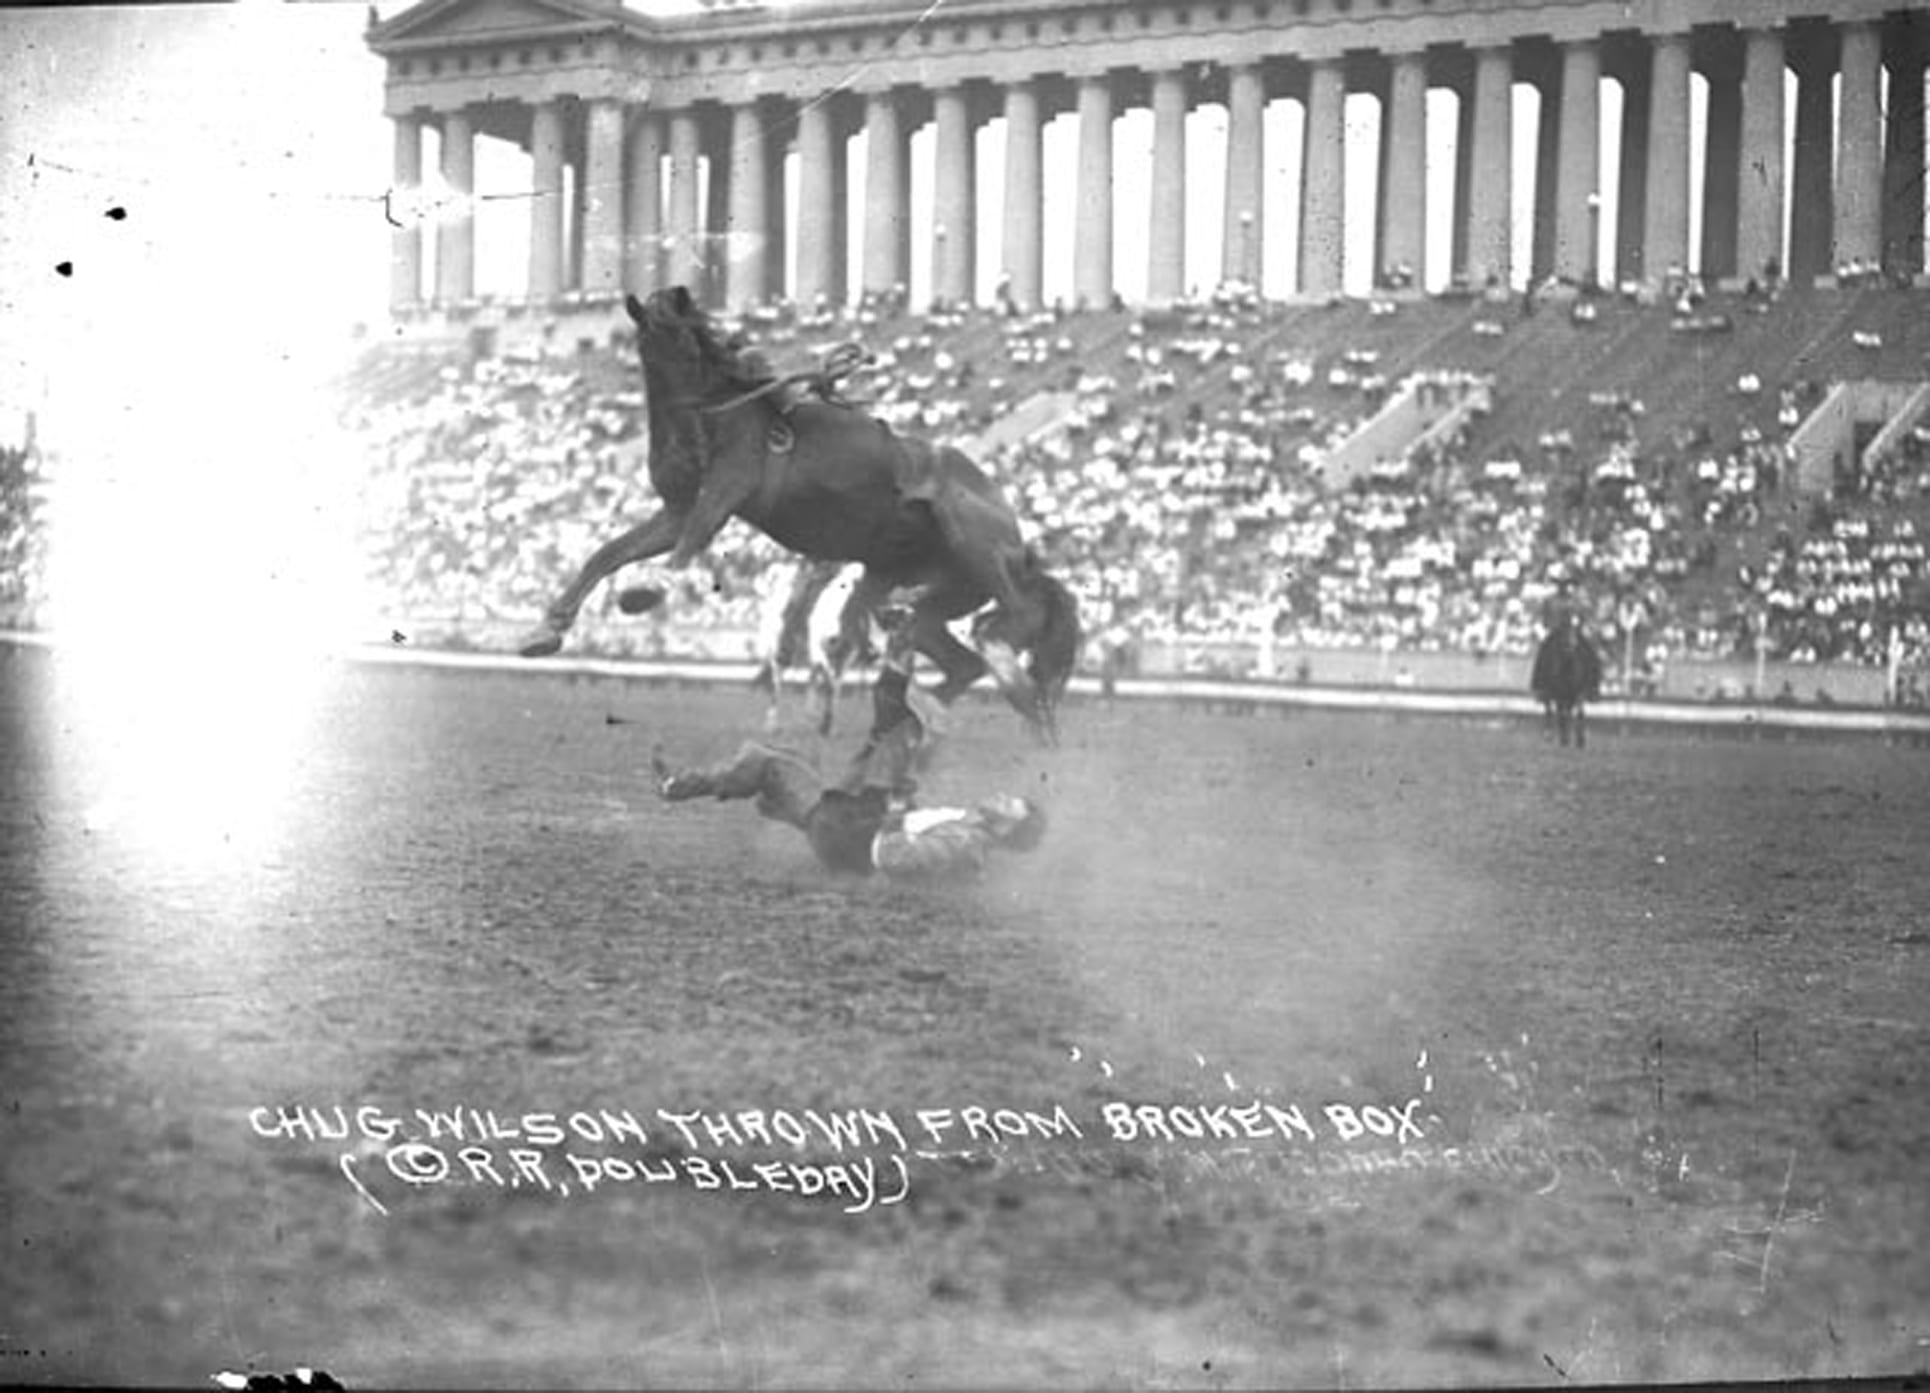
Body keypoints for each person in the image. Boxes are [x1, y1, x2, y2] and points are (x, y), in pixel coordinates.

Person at [651, 617, 1047, 880]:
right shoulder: (968, 830)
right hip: (851, 828)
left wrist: (895, 805)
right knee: (789, 762)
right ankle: (896, 663)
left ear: (1008, 828)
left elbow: (893, 856)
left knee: (772, 761)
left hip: (848, 835)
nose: (1002, 796)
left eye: (1011, 805)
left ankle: (681, 786)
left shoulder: (964, 841)